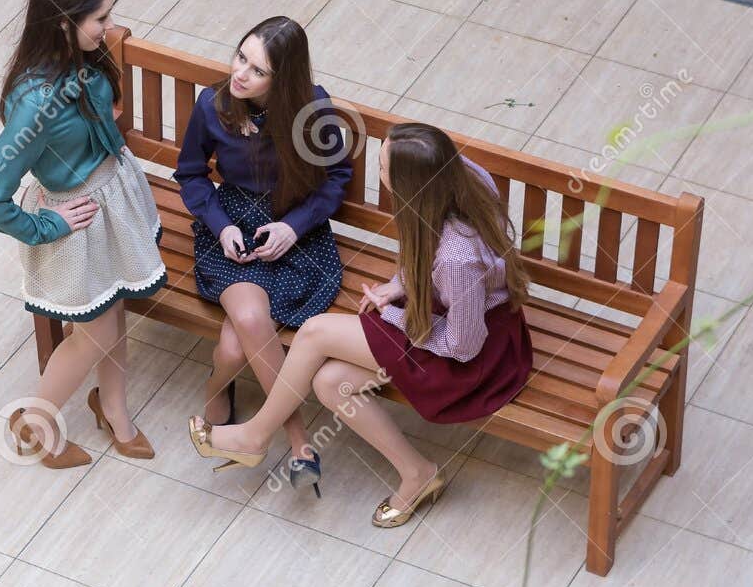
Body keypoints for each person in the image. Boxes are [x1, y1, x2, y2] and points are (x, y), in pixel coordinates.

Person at [188, 123, 534, 527]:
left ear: (412, 183)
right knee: (330, 382)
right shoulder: (459, 178)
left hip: (470, 359)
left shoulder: (458, 257)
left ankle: (255, 436)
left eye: (384, 168)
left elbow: (464, 344)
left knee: (316, 332)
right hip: (446, 317)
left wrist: (396, 314)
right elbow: (423, 248)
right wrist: (397, 286)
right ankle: (418, 473)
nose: (379, 174)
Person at [0, 0, 166, 468]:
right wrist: (46, 224)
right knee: (95, 333)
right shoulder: (35, 103)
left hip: (113, 204)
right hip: (77, 226)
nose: (111, 26)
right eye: (101, 18)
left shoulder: (79, 59)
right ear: (64, 21)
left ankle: (114, 409)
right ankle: (34, 422)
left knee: (114, 311)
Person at [174, 16, 352, 496]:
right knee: (252, 317)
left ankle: (218, 391)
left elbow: (338, 177)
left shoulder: (313, 107)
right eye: (241, 57)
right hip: (230, 228)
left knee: (234, 347)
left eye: (258, 70)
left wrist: (293, 229)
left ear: (284, 78)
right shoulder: (212, 105)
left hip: (296, 232)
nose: (241, 75)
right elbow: (190, 174)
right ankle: (299, 444)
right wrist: (222, 225)